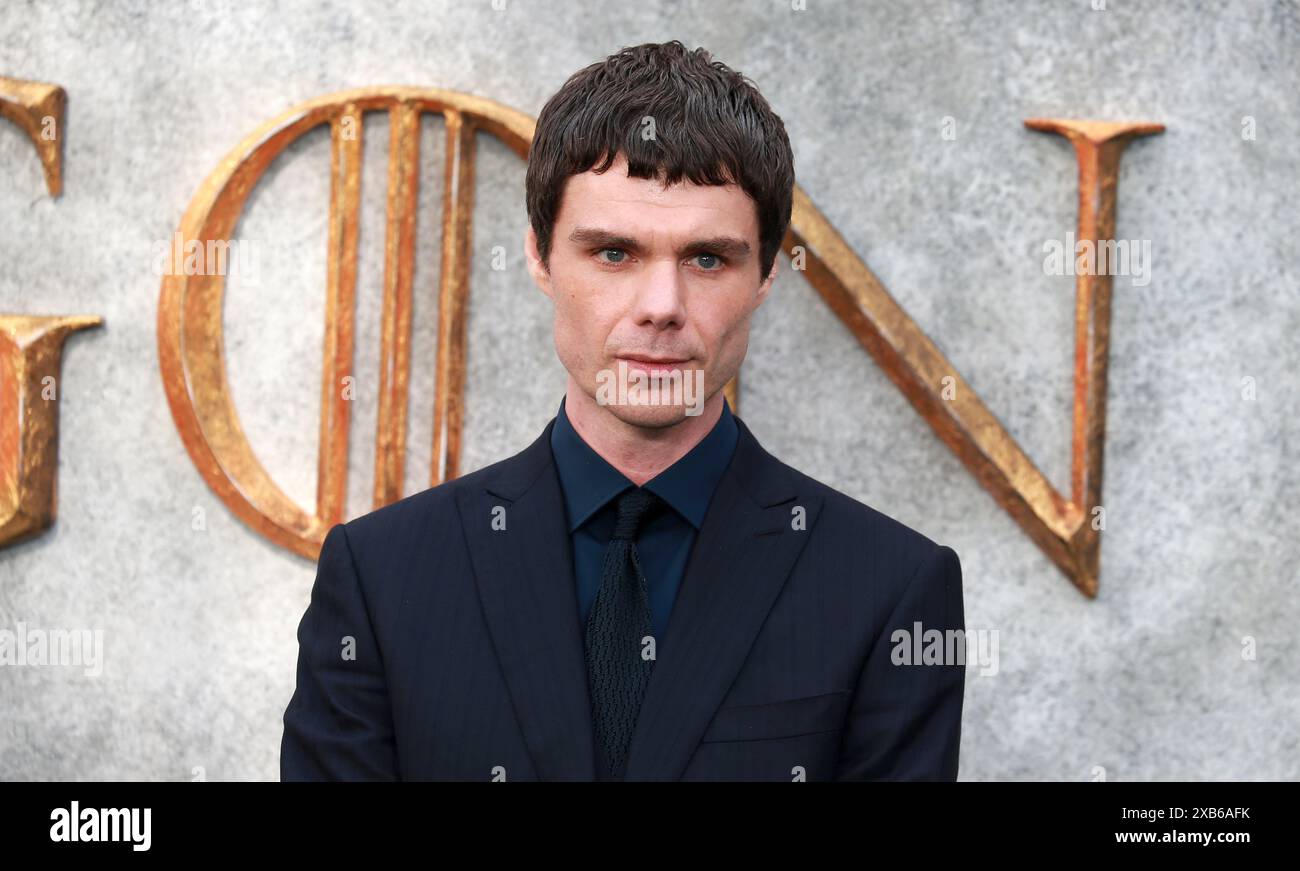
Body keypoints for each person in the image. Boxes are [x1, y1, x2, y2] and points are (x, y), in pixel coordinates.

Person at [281, 40, 965, 781]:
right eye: (614, 253)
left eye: (708, 258)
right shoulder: (382, 578)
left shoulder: (891, 588)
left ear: (767, 272)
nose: (661, 308)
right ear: (540, 258)